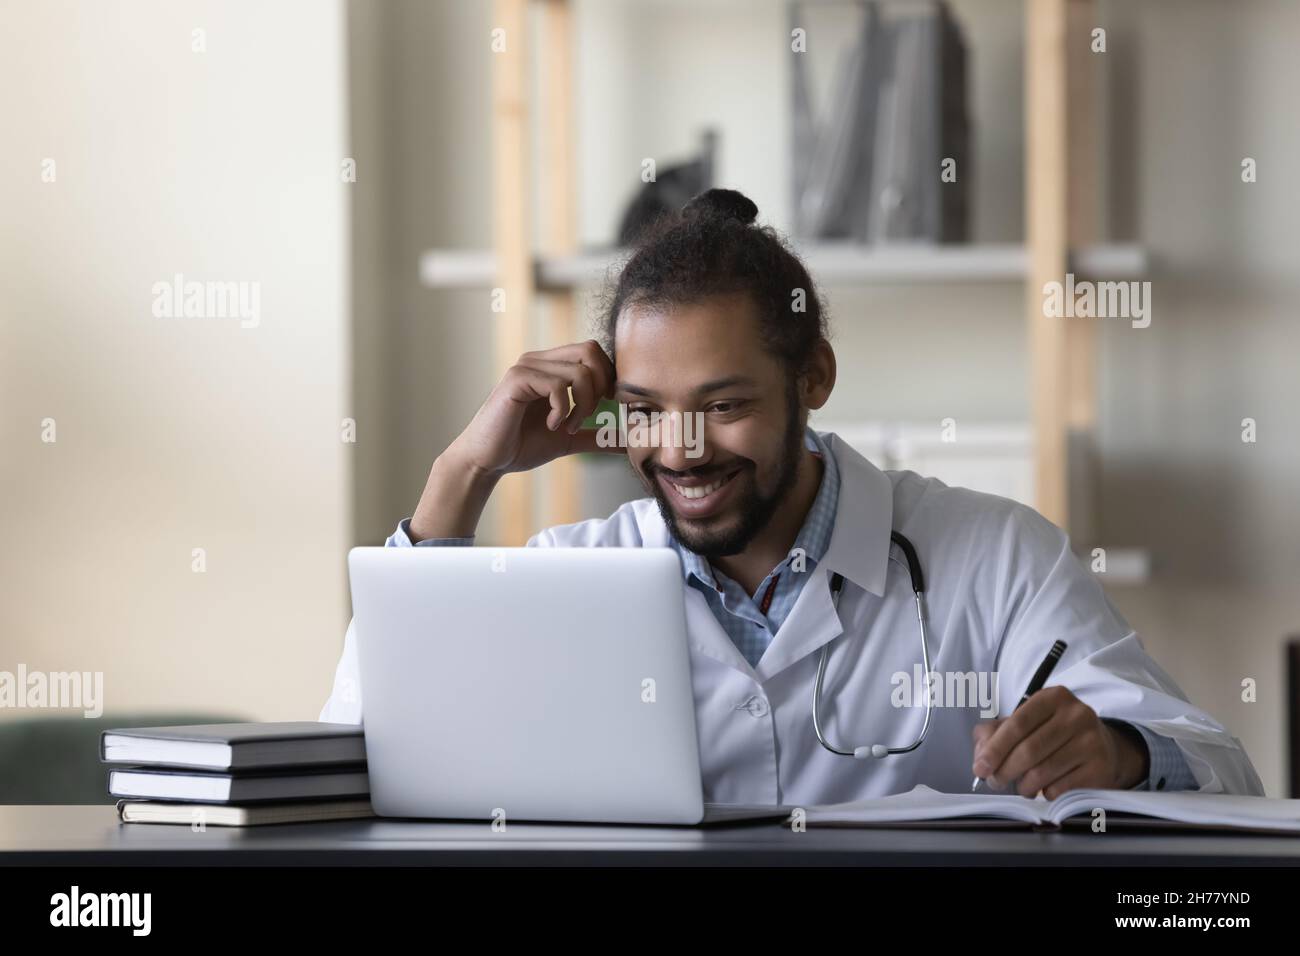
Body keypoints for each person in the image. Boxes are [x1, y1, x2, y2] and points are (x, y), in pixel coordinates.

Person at [321, 188, 1263, 803]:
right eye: (645, 412)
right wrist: (460, 477)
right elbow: (356, 758)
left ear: (813, 377)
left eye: (723, 405)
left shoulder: (994, 555)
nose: (683, 451)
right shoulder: (575, 573)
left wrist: (1119, 754)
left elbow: (1224, 770)